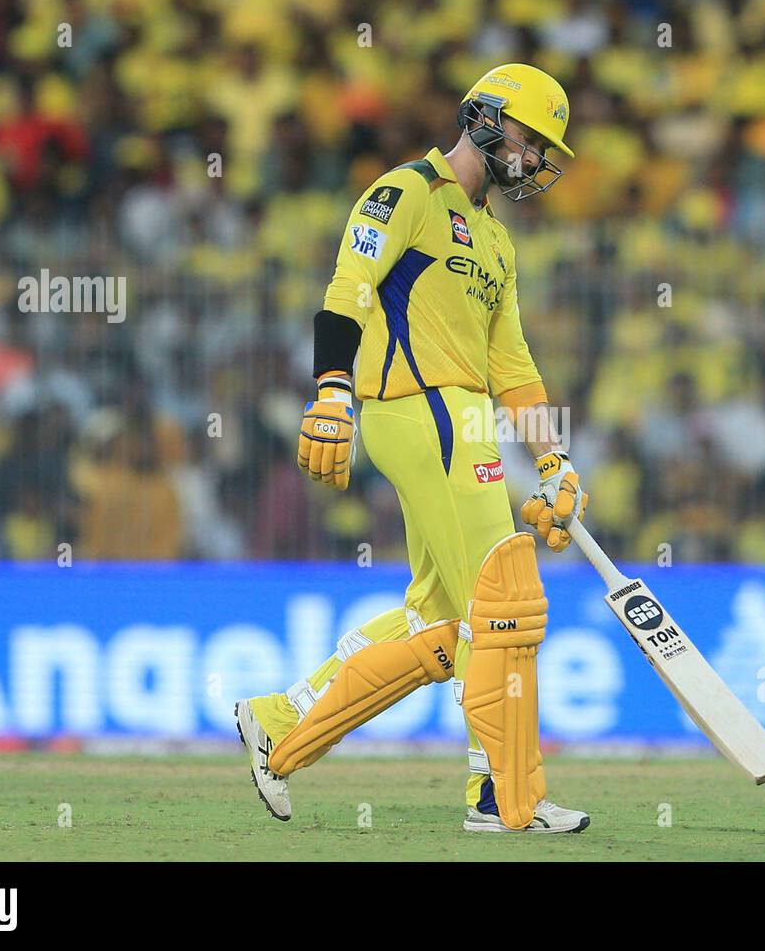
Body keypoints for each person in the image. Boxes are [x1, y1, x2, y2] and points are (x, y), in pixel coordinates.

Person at [235, 64, 591, 833]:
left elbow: (514, 367)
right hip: (416, 407)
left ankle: (280, 720)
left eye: (544, 150)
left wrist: (556, 460)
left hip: (462, 416)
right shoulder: (406, 193)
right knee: (504, 603)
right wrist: (332, 391)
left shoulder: (495, 239)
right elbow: (348, 289)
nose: (534, 160)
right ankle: (499, 794)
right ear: (489, 118)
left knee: (441, 619)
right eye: (531, 139)